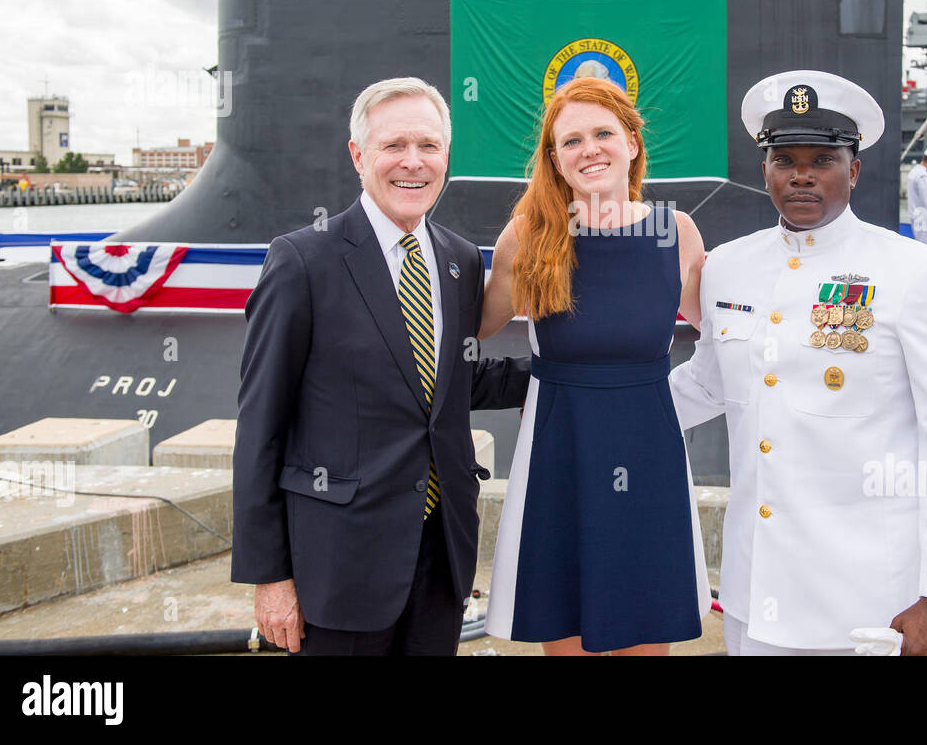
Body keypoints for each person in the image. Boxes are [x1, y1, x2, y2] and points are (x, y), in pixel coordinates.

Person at [667, 70, 927, 655]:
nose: (800, 174)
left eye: (822, 159)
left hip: (870, 608)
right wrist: (592, 400)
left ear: (855, 169)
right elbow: (707, 385)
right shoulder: (728, 269)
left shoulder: (916, 276)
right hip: (754, 596)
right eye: (783, 159)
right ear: (764, 169)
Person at [232, 77, 531, 656]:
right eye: (394, 146)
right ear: (358, 155)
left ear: (447, 156)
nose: (412, 163)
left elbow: (446, 382)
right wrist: (269, 579)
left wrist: (560, 373)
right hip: (337, 569)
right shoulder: (302, 261)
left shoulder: (459, 260)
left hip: (439, 556)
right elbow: (260, 427)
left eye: (428, 146)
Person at [479, 76, 711, 655]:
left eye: (603, 133)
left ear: (632, 142)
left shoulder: (674, 231)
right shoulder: (529, 235)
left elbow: (730, 336)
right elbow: (463, 330)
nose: (590, 150)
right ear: (555, 160)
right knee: (565, 630)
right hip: (560, 448)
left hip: (648, 448)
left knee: (644, 628)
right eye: (571, 140)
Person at [906, 148, 927, 244]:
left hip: (915, 214)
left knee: (919, 244)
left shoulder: (914, 171)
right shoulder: (923, 175)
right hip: (923, 217)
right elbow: (926, 198)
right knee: (923, 245)